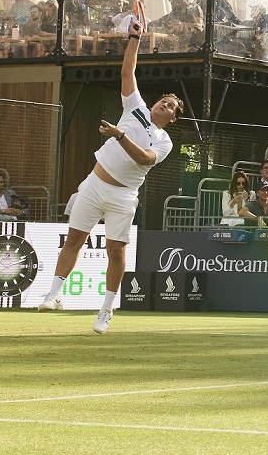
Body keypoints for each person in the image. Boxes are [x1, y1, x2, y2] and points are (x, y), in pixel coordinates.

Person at [29, 25, 179, 334]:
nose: (164, 105)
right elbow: (128, 71)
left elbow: (143, 159)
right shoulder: (135, 106)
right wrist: (135, 37)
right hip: (94, 185)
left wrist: (119, 135)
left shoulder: (164, 141)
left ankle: (107, 309)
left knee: (116, 251)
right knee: (74, 240)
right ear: (153, 104)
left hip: (123, 197)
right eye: (162, 101)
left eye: (170, 107)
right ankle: (53, 295)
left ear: (172, 118)